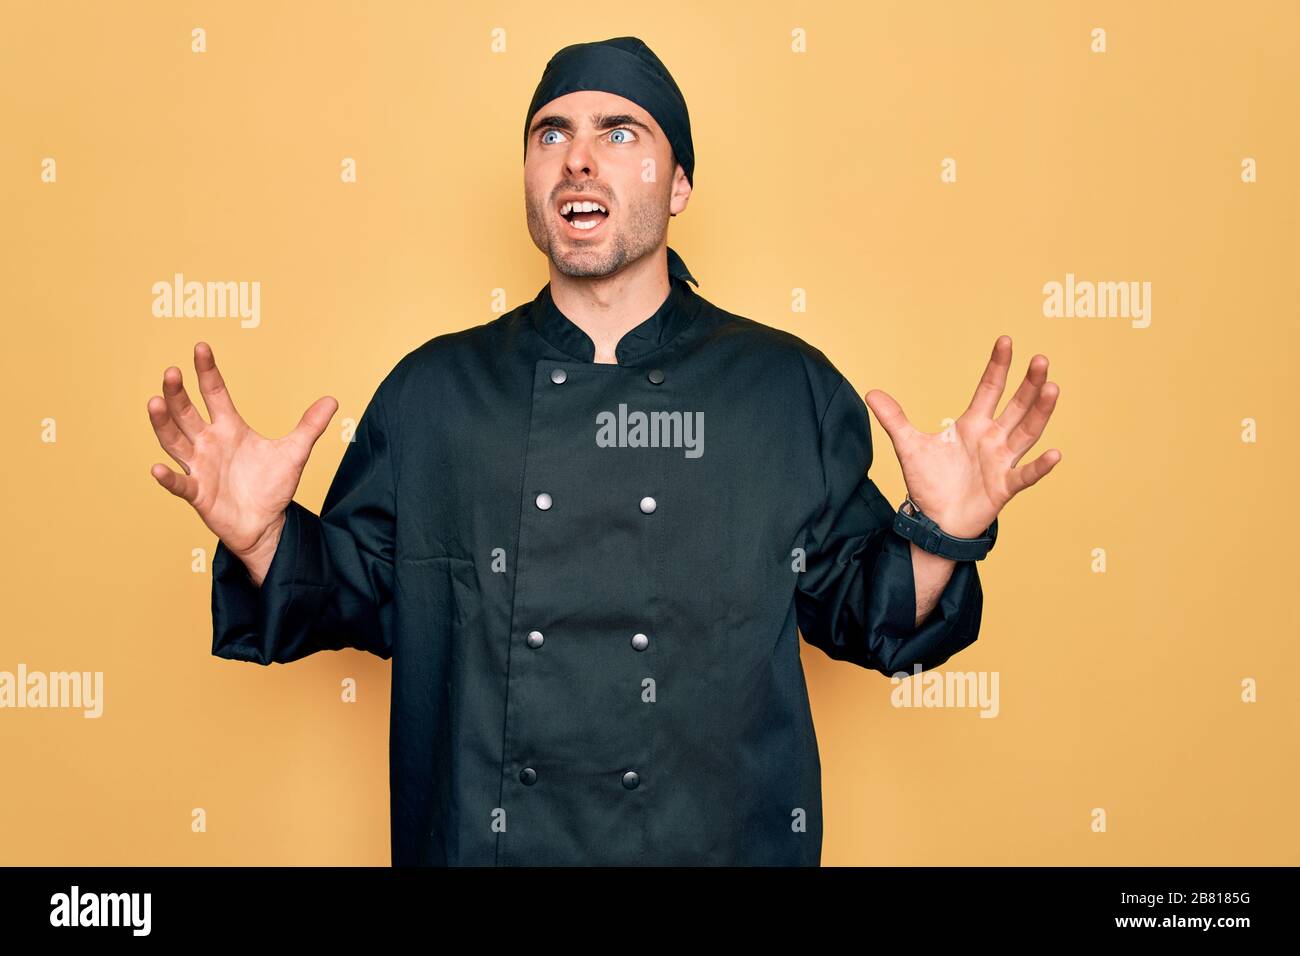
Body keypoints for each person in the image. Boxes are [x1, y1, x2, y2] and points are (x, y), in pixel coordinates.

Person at [147, 36, 1060, 866]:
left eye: (621, 132)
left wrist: (940, 530)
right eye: (553, 134)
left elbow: (869, 615)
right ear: (533, 182)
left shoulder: (783, 390)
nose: (579, 155)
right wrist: (262, 537)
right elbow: (357, 597)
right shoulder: (436, 393)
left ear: (679, 185)